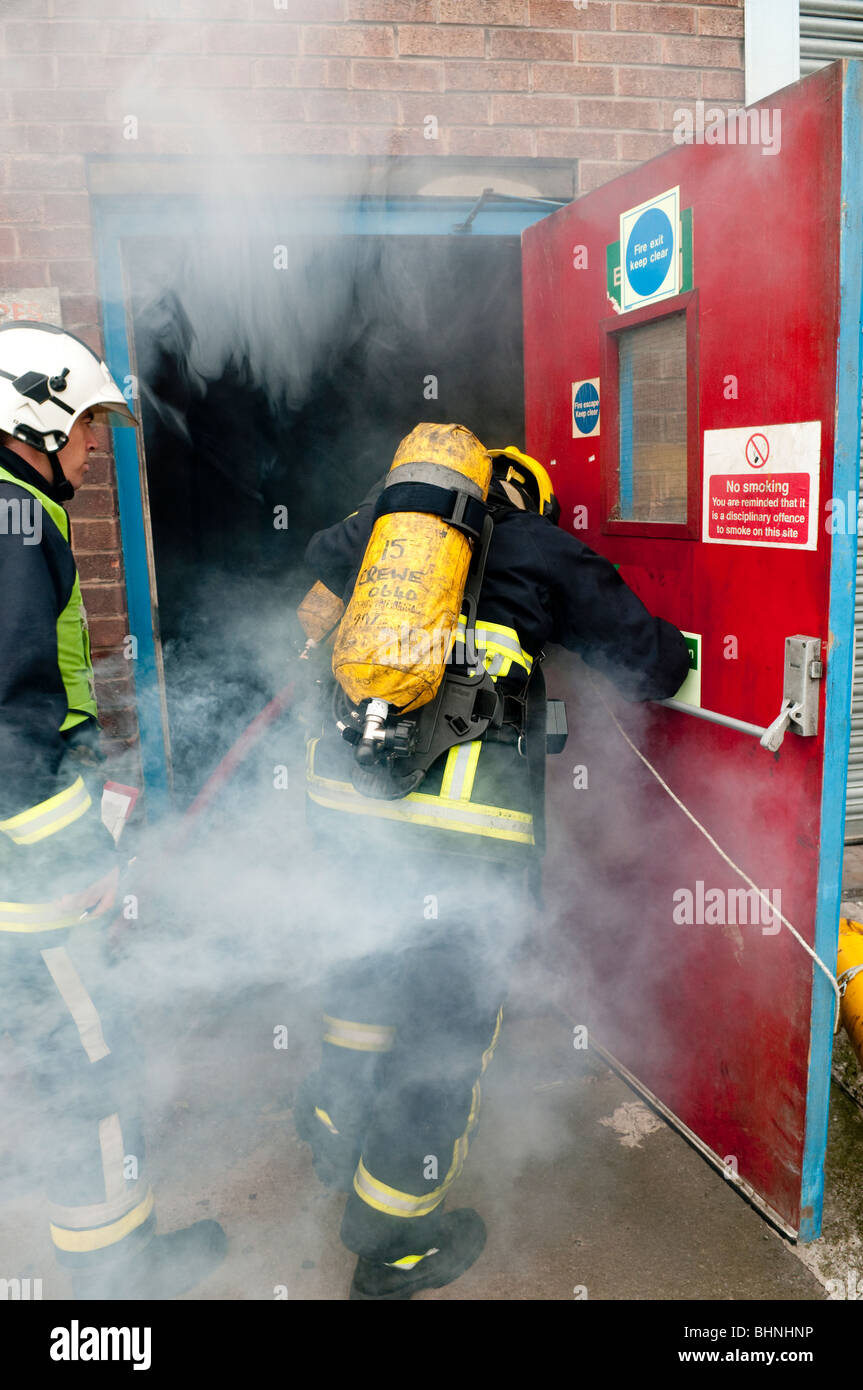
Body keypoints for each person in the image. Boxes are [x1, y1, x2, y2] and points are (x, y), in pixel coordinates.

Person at [295, 421, 691, 1300]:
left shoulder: (377, 529)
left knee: (361, 969)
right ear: (529, 498)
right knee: (442, 1029)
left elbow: (312, 585)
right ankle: (393, 1241)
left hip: (348, 812)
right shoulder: (543, 549)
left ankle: (330, 1123)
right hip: (458, 842)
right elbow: (646, 659)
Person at [0, 321, 225, 1299]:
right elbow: (8, 716)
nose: (96, 450)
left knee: (69, 1061)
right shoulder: (14, 526)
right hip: (27, 878)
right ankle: (111, 1290)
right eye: (88, 427)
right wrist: (76, 857)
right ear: (37, 417)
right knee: (87, 1066)